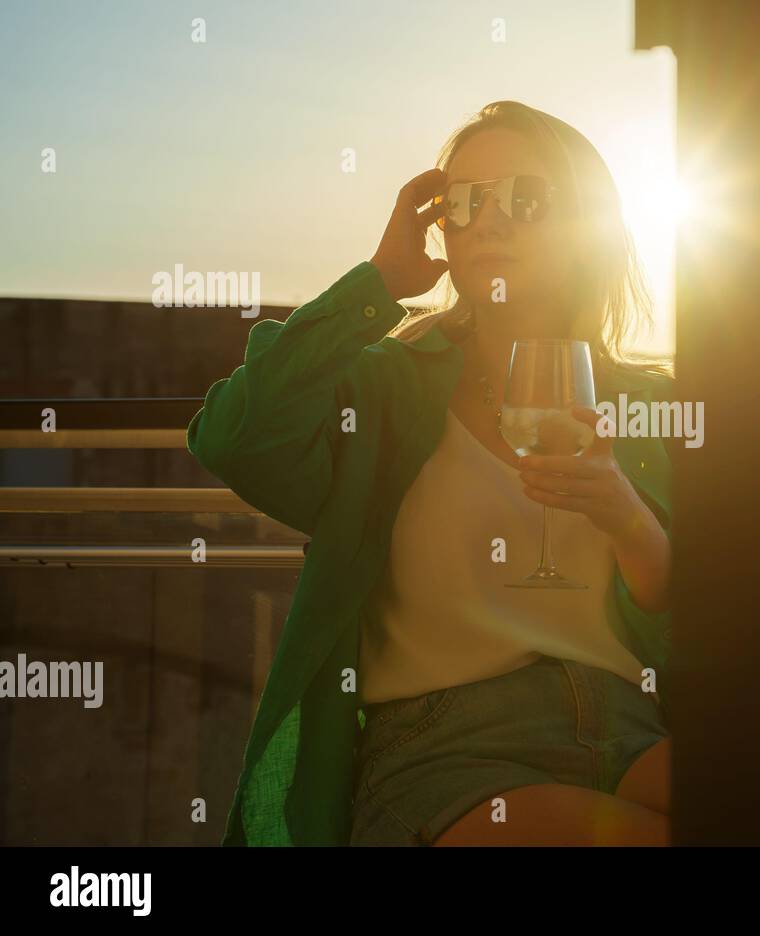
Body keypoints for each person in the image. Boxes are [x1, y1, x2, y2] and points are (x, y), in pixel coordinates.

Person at [187, 101, 677, 846]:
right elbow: (237, 437)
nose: (490, 219)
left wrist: (629, 519)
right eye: (464, 200)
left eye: (527, 198)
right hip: (444, 749)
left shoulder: (651, 406)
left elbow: (716, 624)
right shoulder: (387, 388)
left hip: (628, 725)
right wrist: (378, 283)